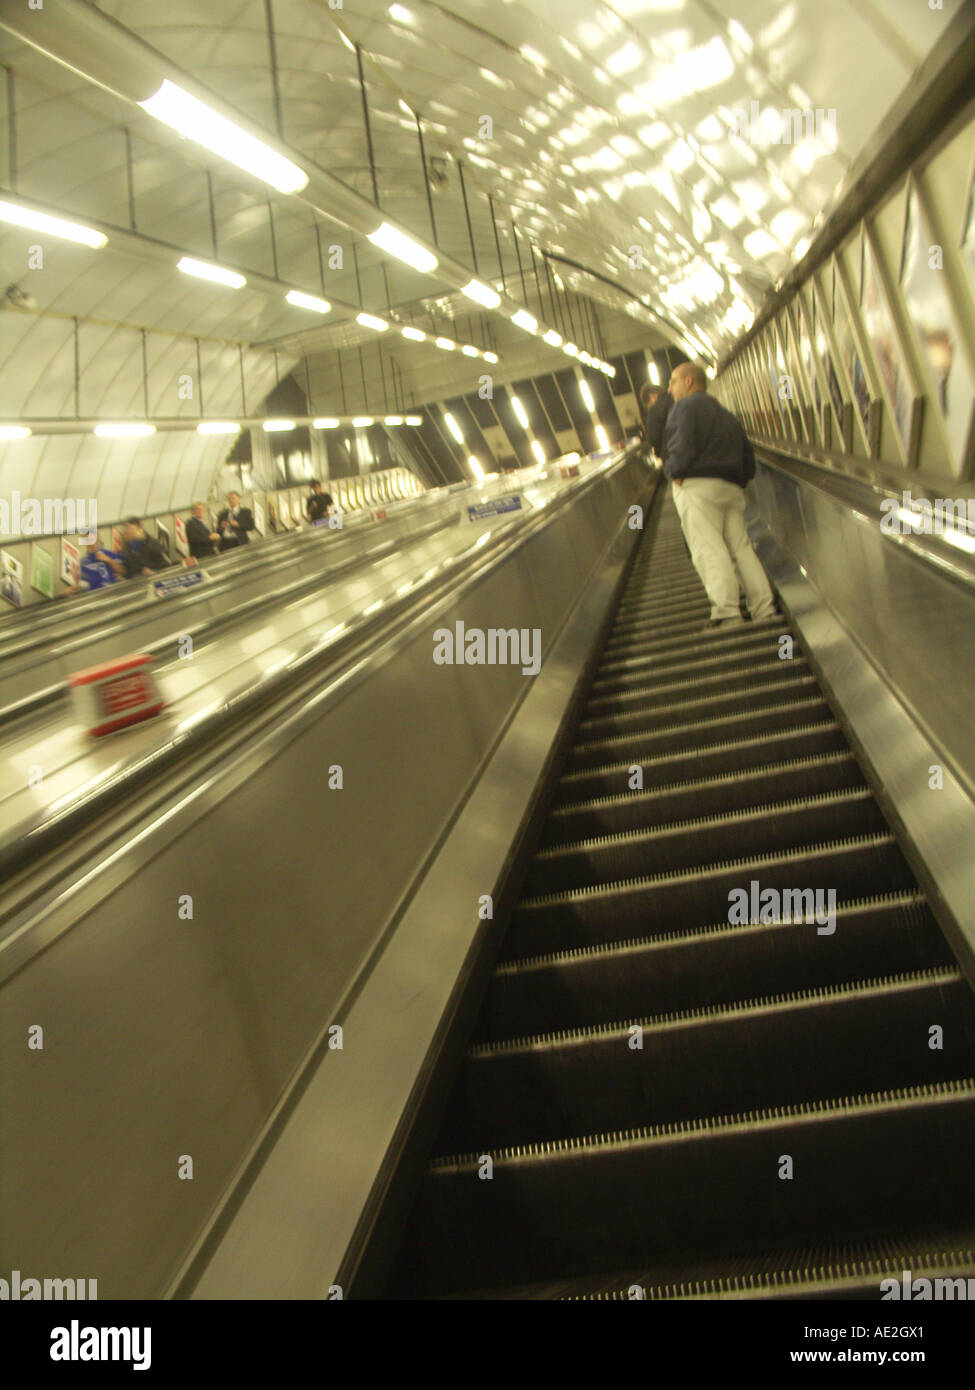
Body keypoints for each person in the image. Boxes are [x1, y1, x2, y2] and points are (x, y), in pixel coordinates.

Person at [663, 361, 777, 632]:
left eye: (673, 381)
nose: (669, 389)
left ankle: (727, 613)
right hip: (732, 489)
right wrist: (739, 479)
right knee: (741, 548)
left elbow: (681, 445)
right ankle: (764, 608)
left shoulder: (685, 408)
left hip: (699, 488)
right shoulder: (725, 413)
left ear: (689, 381)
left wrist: (675, 472)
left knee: (708, 548)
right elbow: (748, 457)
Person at [640, 382, 672, 463]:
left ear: (652, 396)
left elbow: (653, 439)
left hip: (672, 455)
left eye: (648, 404)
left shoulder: (655, 409)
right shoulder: (676, 398)